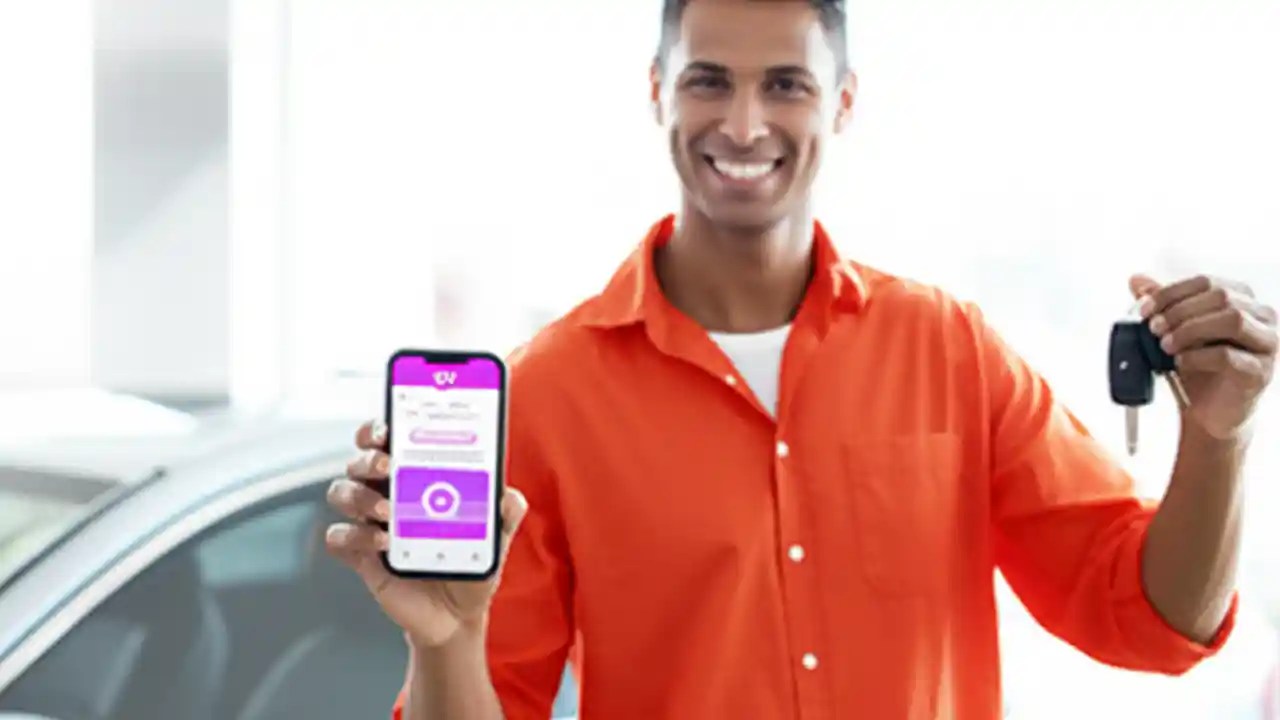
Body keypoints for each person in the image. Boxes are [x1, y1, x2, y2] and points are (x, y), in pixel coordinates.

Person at [323, 1, 1279, 718]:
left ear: (844, 103)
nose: (743, 125)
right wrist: (447, 641)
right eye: (708, 80)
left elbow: (1155, 623)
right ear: (658, 91)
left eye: (786, 83)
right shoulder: (550, 392)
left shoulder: (951, 350)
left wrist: (1220, 438)